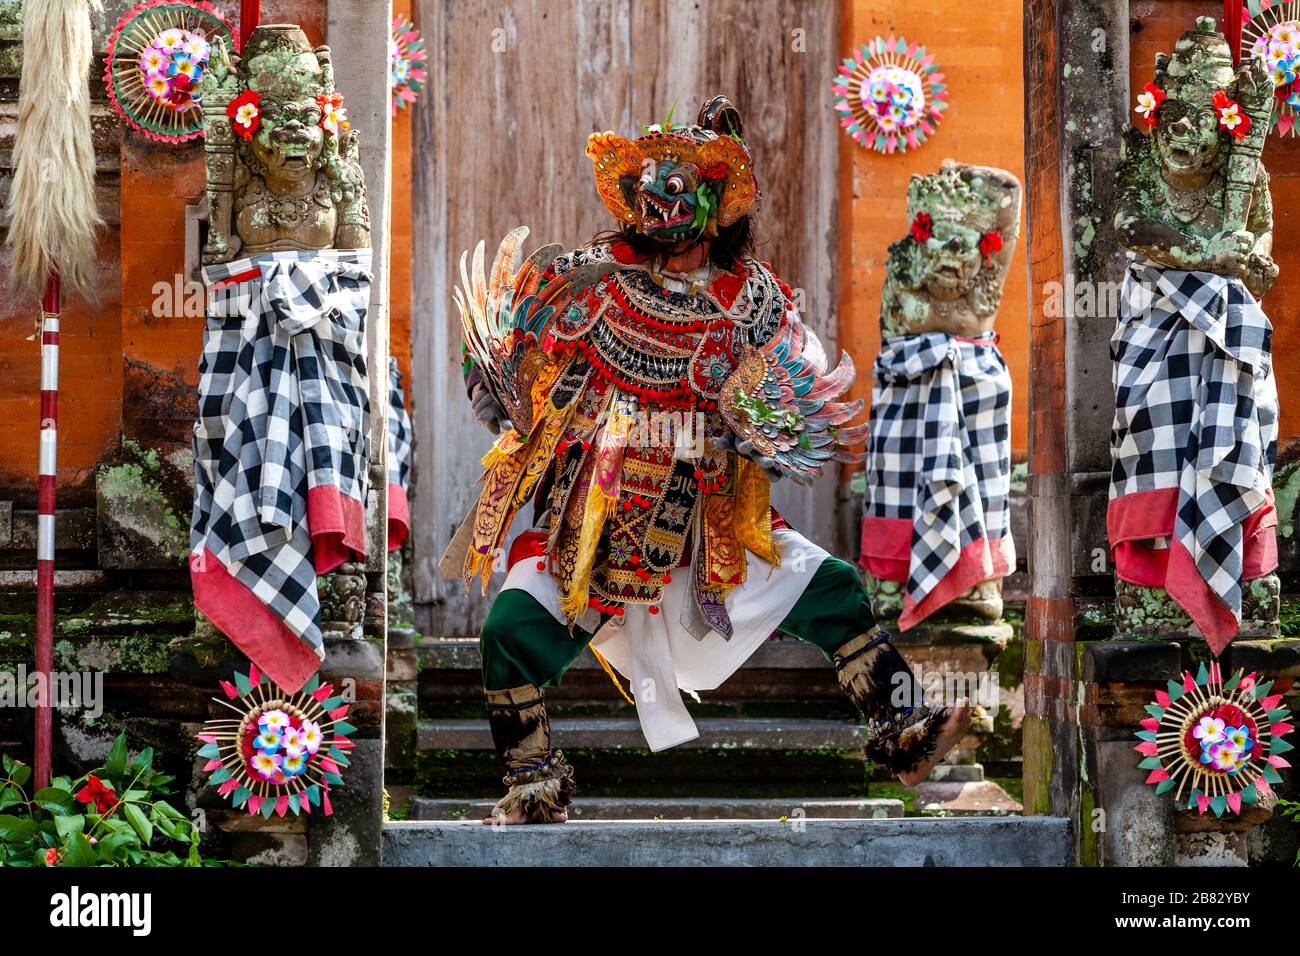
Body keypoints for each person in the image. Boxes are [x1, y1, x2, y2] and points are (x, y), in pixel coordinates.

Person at [445, 96, 971, 824]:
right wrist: (500, 387)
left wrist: (752, 427)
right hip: (592, 524)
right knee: (509, 629)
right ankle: (531, 781)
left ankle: (903, 731)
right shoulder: (586, 281)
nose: (660, 200)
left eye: (678, 186)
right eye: (649, 186)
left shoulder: (752, 305)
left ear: (717, 205)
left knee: (832, 586)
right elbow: (510, 356)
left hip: (704, 526)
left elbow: (788, 400)